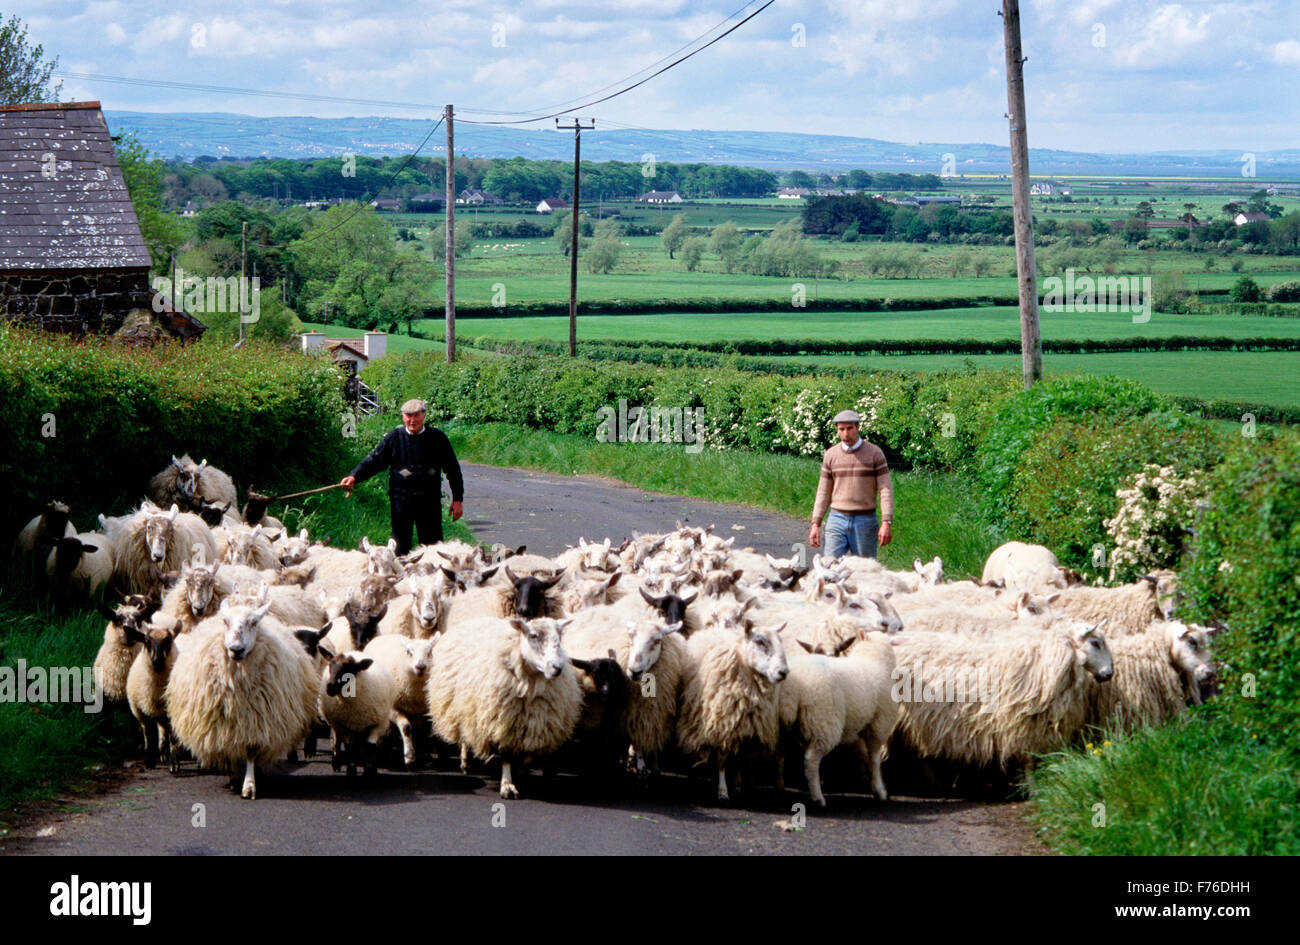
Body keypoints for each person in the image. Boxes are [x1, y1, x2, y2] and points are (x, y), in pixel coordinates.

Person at [339, 398, 464, 555]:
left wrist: (457, 499)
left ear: (424, 416)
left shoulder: (437, 438)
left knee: (433, 547)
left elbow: (453, 469)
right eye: (408, 416)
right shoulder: (394, 438)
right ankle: (400, 577)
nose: (412, 420)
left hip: (429, 502)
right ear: (403, 417)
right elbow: (374, 460)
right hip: (401, 502)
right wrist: (354, 476)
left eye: (416, 415)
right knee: (400, 547)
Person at [808, 409, 893, 559]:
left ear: (858, 427)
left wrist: (886, 521)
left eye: (849, 428)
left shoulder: (875, 453)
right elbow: (823, 491)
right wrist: (816, 523)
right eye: (841, 429)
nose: (846, 434)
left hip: (865, 520)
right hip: (837, 518)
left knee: (864, 571)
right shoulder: (831, 455)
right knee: (830, 567)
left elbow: (885, 489)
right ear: (837, 430)